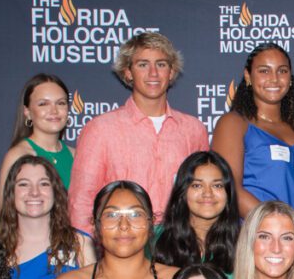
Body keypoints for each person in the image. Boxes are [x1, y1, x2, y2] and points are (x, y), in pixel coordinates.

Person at [68, 32, 208, 232]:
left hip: (179, 242)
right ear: (128, 72)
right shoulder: (101, 129)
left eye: (161, 64)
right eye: (143, 64)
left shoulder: (193, 130)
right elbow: (81, 201)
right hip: (121, 240)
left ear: (172, 72)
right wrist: (85, 248)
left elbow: (202, 196)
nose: (153, 73)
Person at [213, 42, 294, 212]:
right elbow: (229, 187)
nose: (274, 78)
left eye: (282, 71)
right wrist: (275, 224)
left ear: (290, 77)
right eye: (264, 71)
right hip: (255, 233)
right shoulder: (233, 123)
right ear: (248, 76)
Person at [0, 155, 94, 279]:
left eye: (43, 184)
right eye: (23, 184)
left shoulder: (80, 243)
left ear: (55, 191)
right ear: (11, 193)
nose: (34, 192)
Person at [153, 150, 242, 274]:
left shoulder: (245, 243)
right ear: (182, 192)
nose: (207, 193)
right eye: (197, 185)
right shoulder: (154, 239)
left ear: (228, 194)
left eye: (217, 186)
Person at [0, 72, 73, 194]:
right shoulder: (17, 156)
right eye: (43, 104)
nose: (54, 110)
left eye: (61, 103)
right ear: (27, 111)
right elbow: (7, 212)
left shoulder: (76, 156)